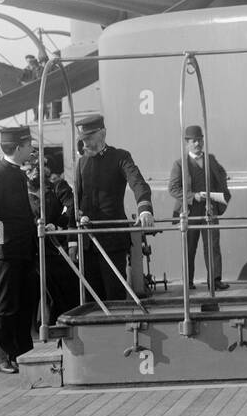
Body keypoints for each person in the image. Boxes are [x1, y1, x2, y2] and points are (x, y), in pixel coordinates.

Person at [0, 126, 38, 374]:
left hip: (23, 250)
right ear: (19, 147)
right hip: (6, 253)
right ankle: (2, 356)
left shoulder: (17, 174)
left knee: (25, 303)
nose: (32, 149)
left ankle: (22, 352)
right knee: (5, 305)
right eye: (29, 144)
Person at [73, 113, 154, 301]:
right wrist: (72, 240)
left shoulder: (120, 157)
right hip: (87, 242)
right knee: (91, 298)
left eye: (89, 138)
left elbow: (138, 183)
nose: (85, 144)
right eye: (83, 139)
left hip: (112, 241)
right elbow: (76, 200)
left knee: (114, 294)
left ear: (103, 134)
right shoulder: (81, 163)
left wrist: (144, 209)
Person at [168, 125, 231, 291]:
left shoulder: (211, 160)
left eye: (200, 140)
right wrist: (192, 196)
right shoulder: (179, 164)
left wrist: (218, 196)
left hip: (210, 209)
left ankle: (215, 280)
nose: (198, 144)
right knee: (189, 246)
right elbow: (173, 188)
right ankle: (188, 281)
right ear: (187, 143)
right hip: (189, 212)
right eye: (194, 141)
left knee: (212, 245)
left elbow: (222, 176)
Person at [27, 150, 78, 322]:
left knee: (62, 284)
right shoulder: (19, 192)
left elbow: (72, 207)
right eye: (29, 169)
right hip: (30, 249)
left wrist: (58, 225)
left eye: (36, 168)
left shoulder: (58, 187)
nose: (34, 172)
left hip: (54, 247)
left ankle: (59, 320)